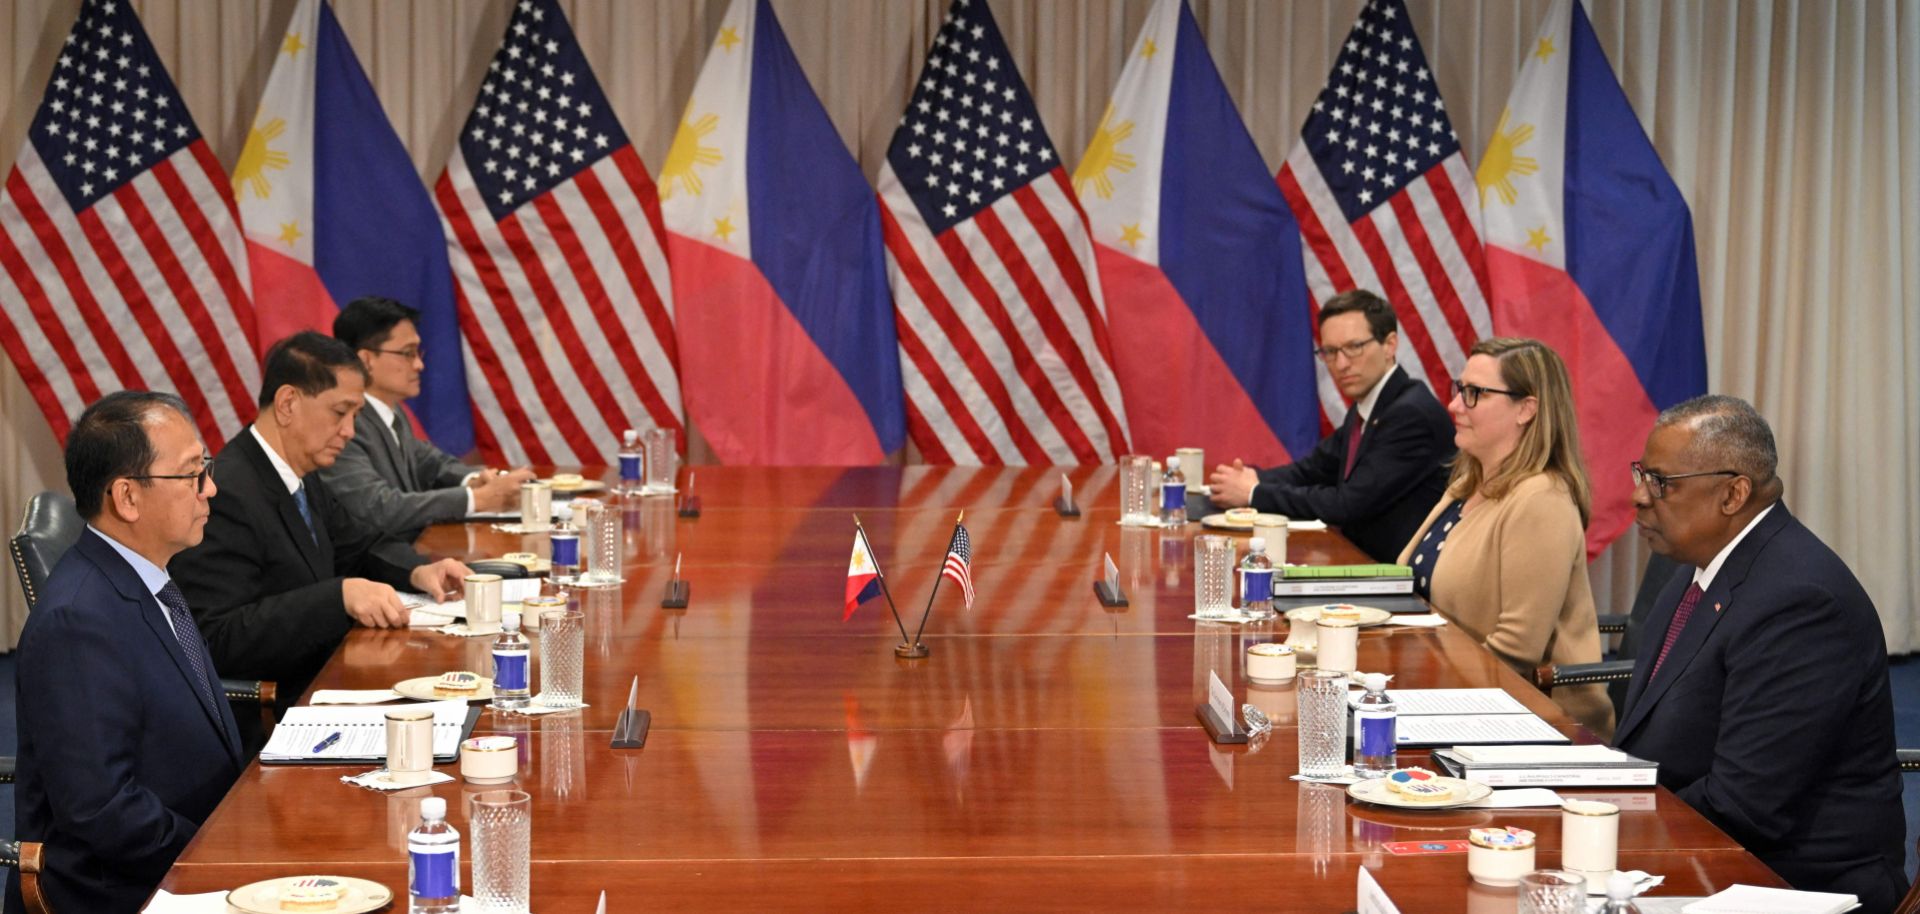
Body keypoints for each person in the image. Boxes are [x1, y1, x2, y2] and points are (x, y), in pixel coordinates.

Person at [1613, 395, 1906, 910]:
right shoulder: (1700, 567)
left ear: (1733, 494)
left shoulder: (1799, 602)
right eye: (1641, 474)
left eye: (1660, 482)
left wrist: (1607, 830)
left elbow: (1745, 806)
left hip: (1786, 883)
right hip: (1691, 852)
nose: (1638, 496)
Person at [13, 392, 245, 912]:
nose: (211, 488)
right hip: (128, 891)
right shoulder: (78, 621)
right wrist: (218, 852)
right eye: (191, 475)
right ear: (127, 497)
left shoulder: (149, 575)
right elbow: (103, 809)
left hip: (194, 849)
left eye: (205, 468)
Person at [171, 331, 471, 702]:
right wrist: (338, 596)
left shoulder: (300, 475)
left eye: (356, 416)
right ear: (287, 404)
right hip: (281, 705)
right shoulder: (227, 492)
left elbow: (360, 544)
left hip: (329, 675)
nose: (349, 432)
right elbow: (220, 637)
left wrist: (420, 570)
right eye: (339, 413)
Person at [1396, 338, 1612, 735]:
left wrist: (1415, 693)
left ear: (1526, 409)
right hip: (1451, 693)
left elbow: (1515, 654)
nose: (1455, 405)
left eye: (1475, 394)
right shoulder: (1468, 481)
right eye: (1460, 390)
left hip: (1531, 721)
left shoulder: (1542, 499)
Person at [1208, 289, 1452, 562]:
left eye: (1354, 347)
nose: (1341, 364)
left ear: (1390, 344)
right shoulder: (1369, 406)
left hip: (1398, 579)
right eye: (1331, 352)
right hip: (1360, 563)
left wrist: (1254, 492)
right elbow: (1312, 469)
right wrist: (1249, 480)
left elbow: (1347, 504)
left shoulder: (1410, 414)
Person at [324, 296, 532, 540]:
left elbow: (431, 463)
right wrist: (478, 499)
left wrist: (476, 480)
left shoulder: (391, 411)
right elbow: (378, 506)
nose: (419, 365)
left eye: (418, 353)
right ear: (366, 360)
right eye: (407, 353)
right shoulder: (344, 425)